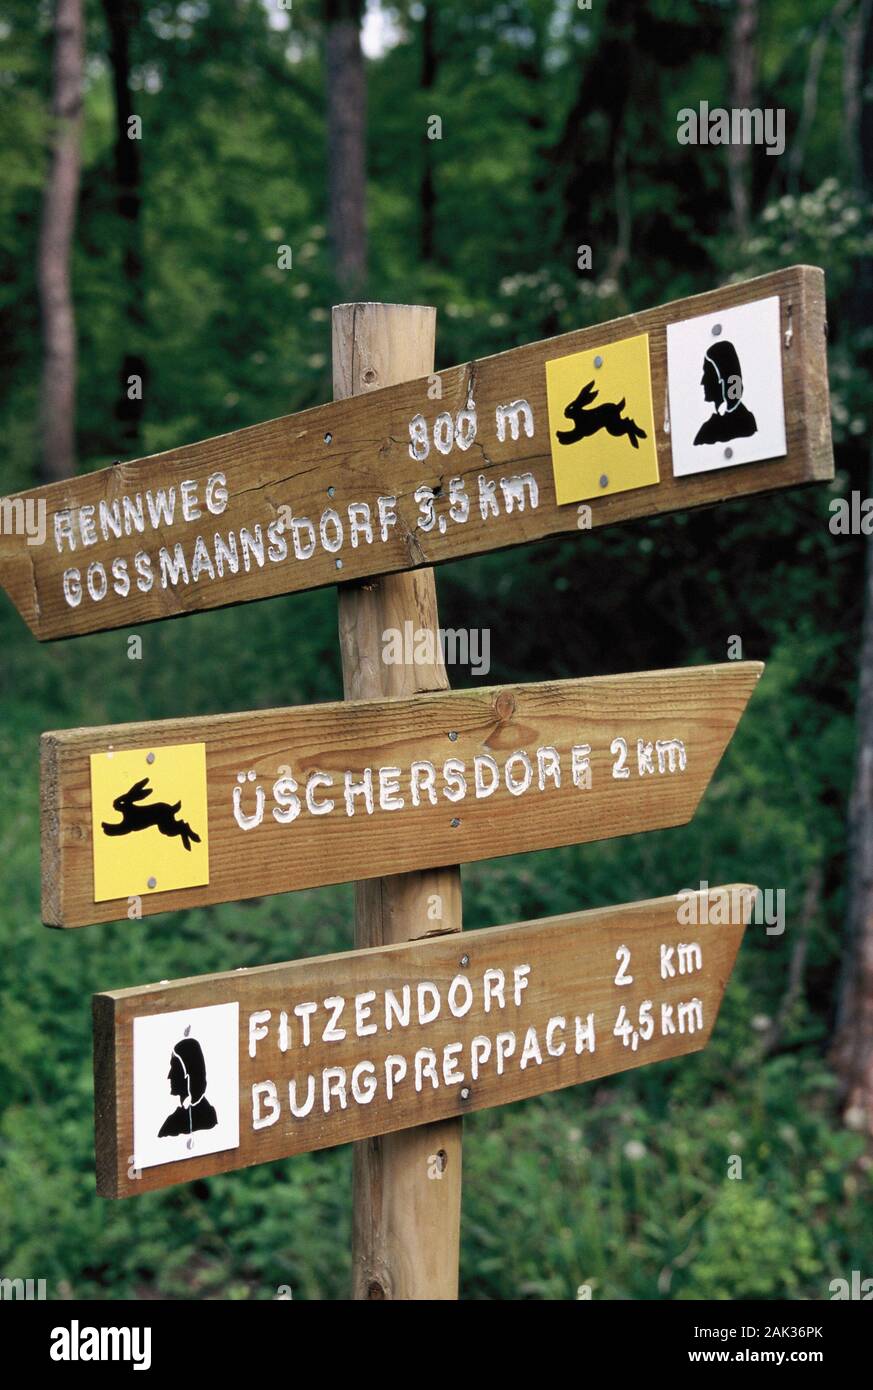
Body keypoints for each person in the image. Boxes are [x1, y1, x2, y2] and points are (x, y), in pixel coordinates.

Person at [693, 339, 758, 446]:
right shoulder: (710, 428)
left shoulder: (744, 424)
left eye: (707, 373)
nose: (702, 381)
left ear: (724, 378)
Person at [158, 1035, 218, 1138]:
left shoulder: (208, 1118)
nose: (169, 1076)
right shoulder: (172, 1122)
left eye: (175, 1067)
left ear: (191, 1072)